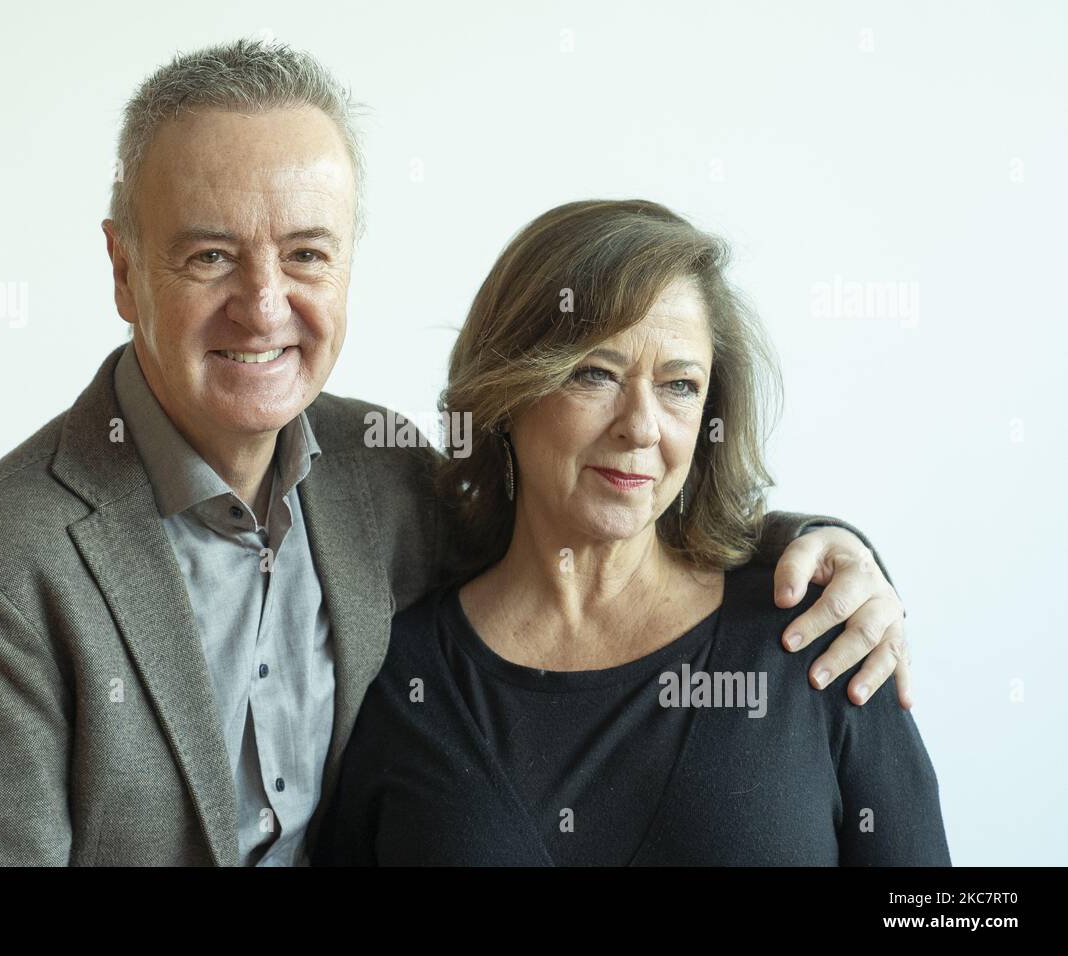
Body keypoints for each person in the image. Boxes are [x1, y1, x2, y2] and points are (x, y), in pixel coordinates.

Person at [0, 41, 910, 867]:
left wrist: (818, 547)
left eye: (307, 254)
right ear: (123, 266)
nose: (264, 303)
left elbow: (590, 516)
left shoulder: (385, 475)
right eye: (208, 256)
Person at [312, 199, 949, 866]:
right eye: (596, 374)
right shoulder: (397, 678)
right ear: (509, 393)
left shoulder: (815, 634)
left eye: (679, 386)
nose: (641, 426)